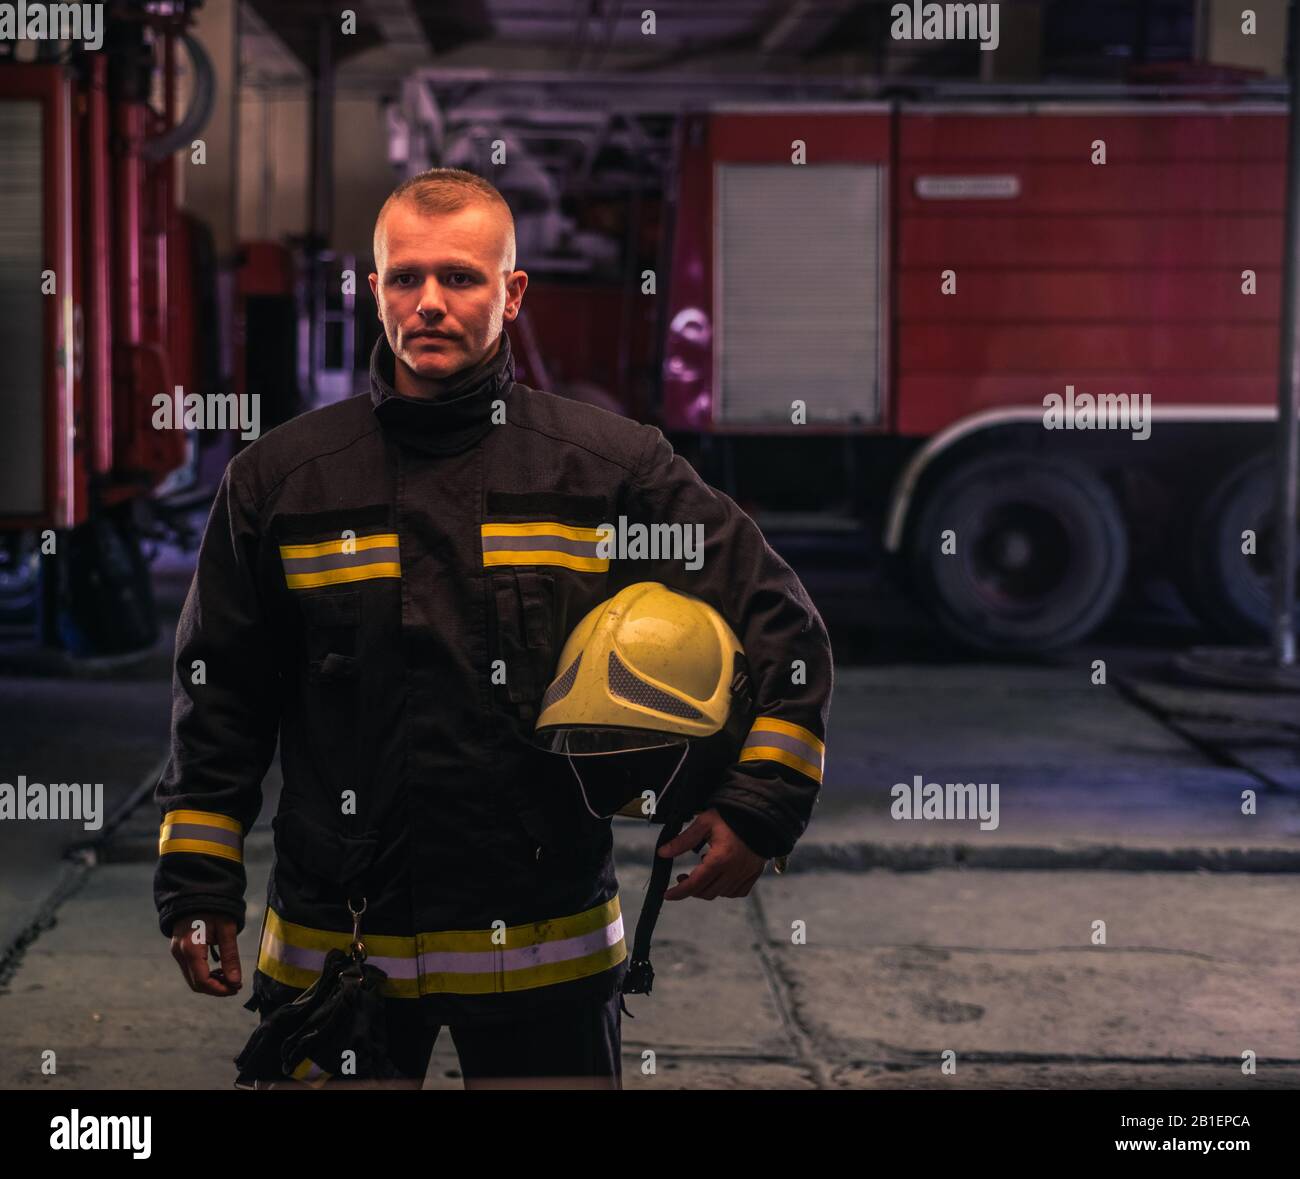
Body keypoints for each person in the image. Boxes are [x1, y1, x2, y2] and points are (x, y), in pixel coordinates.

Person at [154, 167, 833, 1089]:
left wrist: (762, 805)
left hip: (545, 954)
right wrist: (198, 884)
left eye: (462, 278)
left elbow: (779, 620)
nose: (430, 302)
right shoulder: (280, 481)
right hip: (336, 951)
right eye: (406, 277)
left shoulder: (608, 469)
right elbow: (220, 692)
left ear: (511, 292)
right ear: (372, 287)